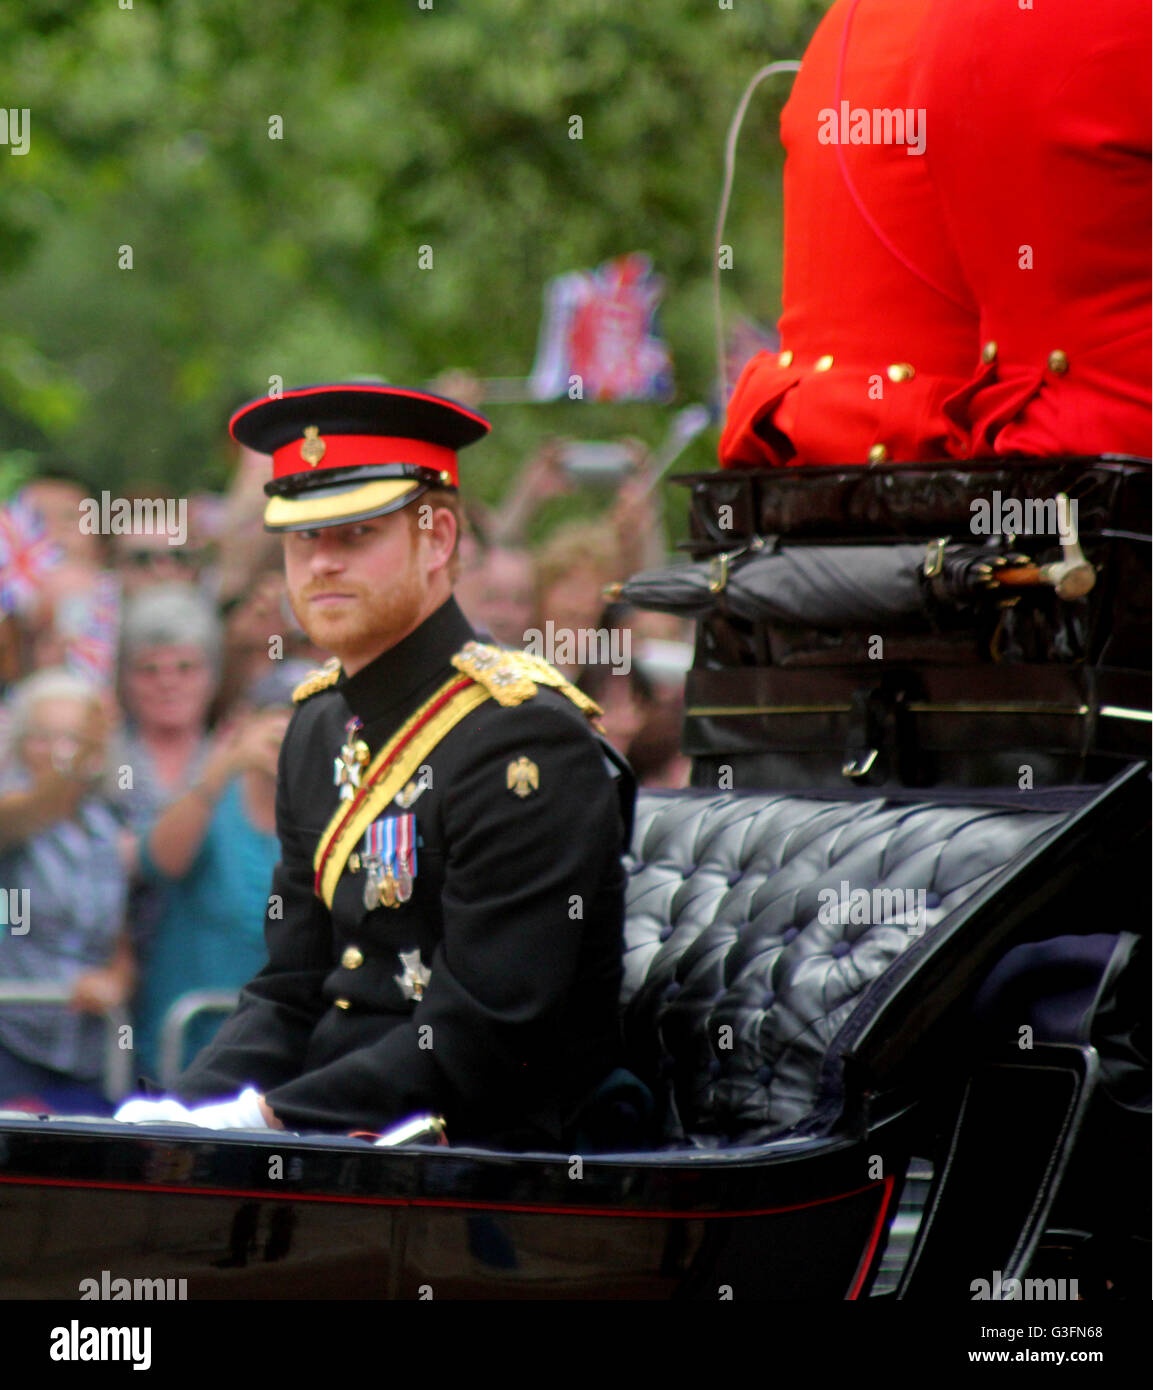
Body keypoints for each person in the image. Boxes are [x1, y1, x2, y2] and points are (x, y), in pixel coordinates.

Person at [116, 383, 636, 1148]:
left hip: (491, 1163)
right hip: (342, 1141)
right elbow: (290, 990)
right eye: (301, 538)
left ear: (436, 539)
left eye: (355, 534)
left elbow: (488, 1031)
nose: (321, 563)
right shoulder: (317, 723)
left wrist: (267, 1119)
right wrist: (185, 1111)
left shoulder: (525, 736)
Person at [129, 663, 310, 1080]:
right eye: (274, 714)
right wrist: (224, 766)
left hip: (280, 1053)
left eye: (303, 718)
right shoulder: (212, 799)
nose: (286, 730)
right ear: (244, 722)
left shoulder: (329, 815)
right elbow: (158, 863)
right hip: (183, 1044)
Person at [0, 668, 134, 1113]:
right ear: (18, 744)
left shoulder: (105, 825)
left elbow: (121, 935)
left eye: (74, 738)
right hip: (12, 1044)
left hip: (87, 1051)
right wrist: (75, 761)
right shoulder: (13, 812)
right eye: (43, 736)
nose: (59, 751)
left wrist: (115, 979)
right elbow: (33, 810)